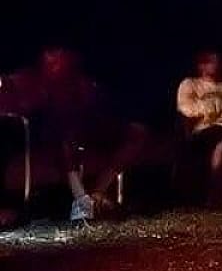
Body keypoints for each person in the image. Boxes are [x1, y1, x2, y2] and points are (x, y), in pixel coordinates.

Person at [1, 46, 147, 221]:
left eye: (60, 54)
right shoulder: (32, 81)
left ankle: (97, 193)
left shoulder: (84, 84)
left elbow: (103, 111)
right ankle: (82, 202)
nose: (56, 60)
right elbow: (25, 105)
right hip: (58, 133)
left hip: (87, 129)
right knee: (66, 138)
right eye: (51, 54)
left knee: (137, 133)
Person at [176, 51, 222, 207]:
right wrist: (212, 106)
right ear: (202, 66)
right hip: (204, 129)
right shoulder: (190, 84)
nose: (217, 65)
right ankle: (216, 194)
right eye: (213, 62)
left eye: (218, 62)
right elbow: (185, 108)